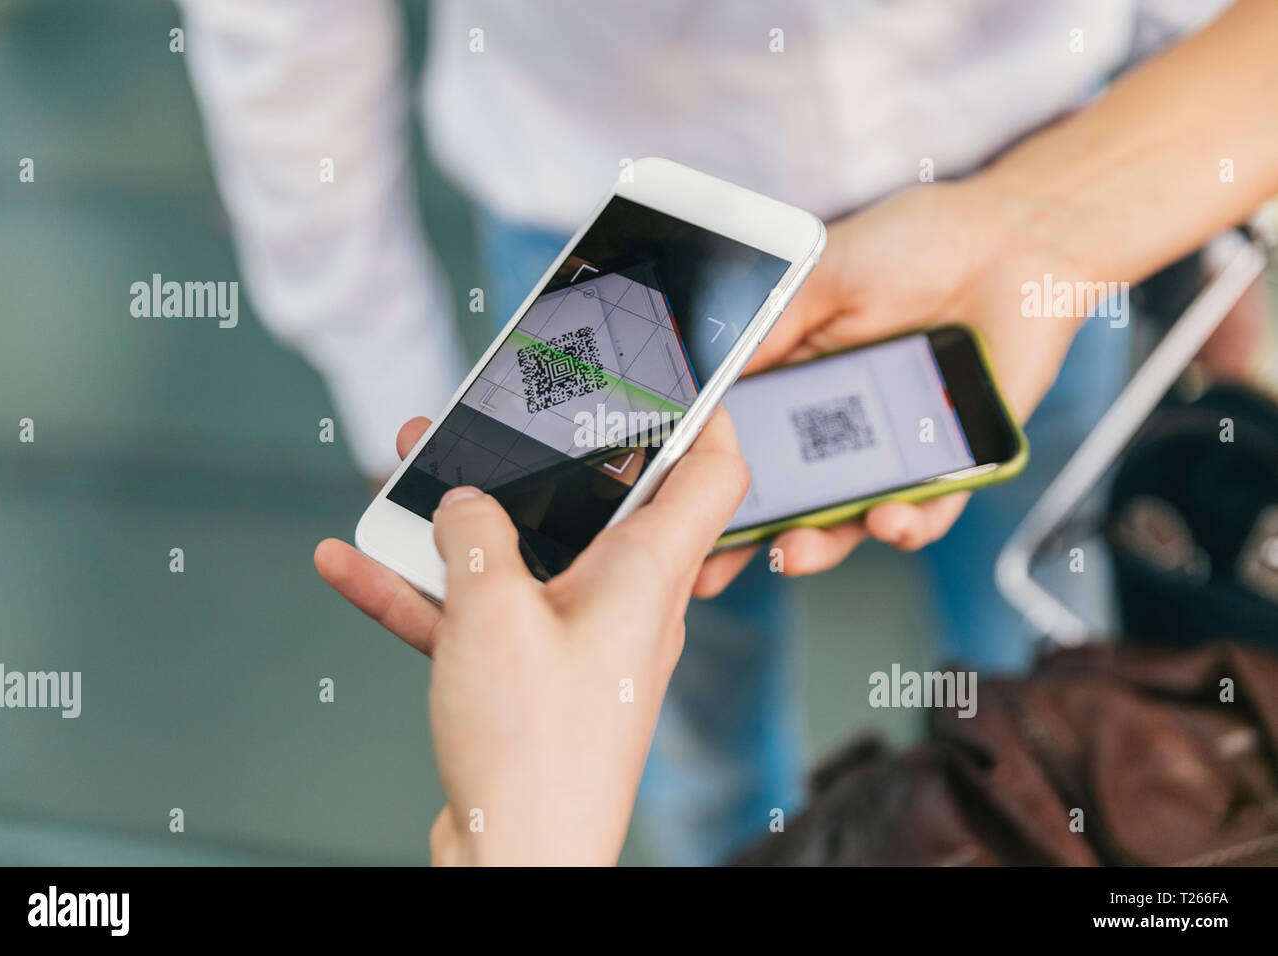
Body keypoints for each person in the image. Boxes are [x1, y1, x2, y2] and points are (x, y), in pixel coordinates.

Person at [180, 0, 1241, 863]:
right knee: (673, 690)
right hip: (614, 224)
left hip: (1035, 143)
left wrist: (1195, 189)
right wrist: (381, 361)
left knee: (1029, 640)